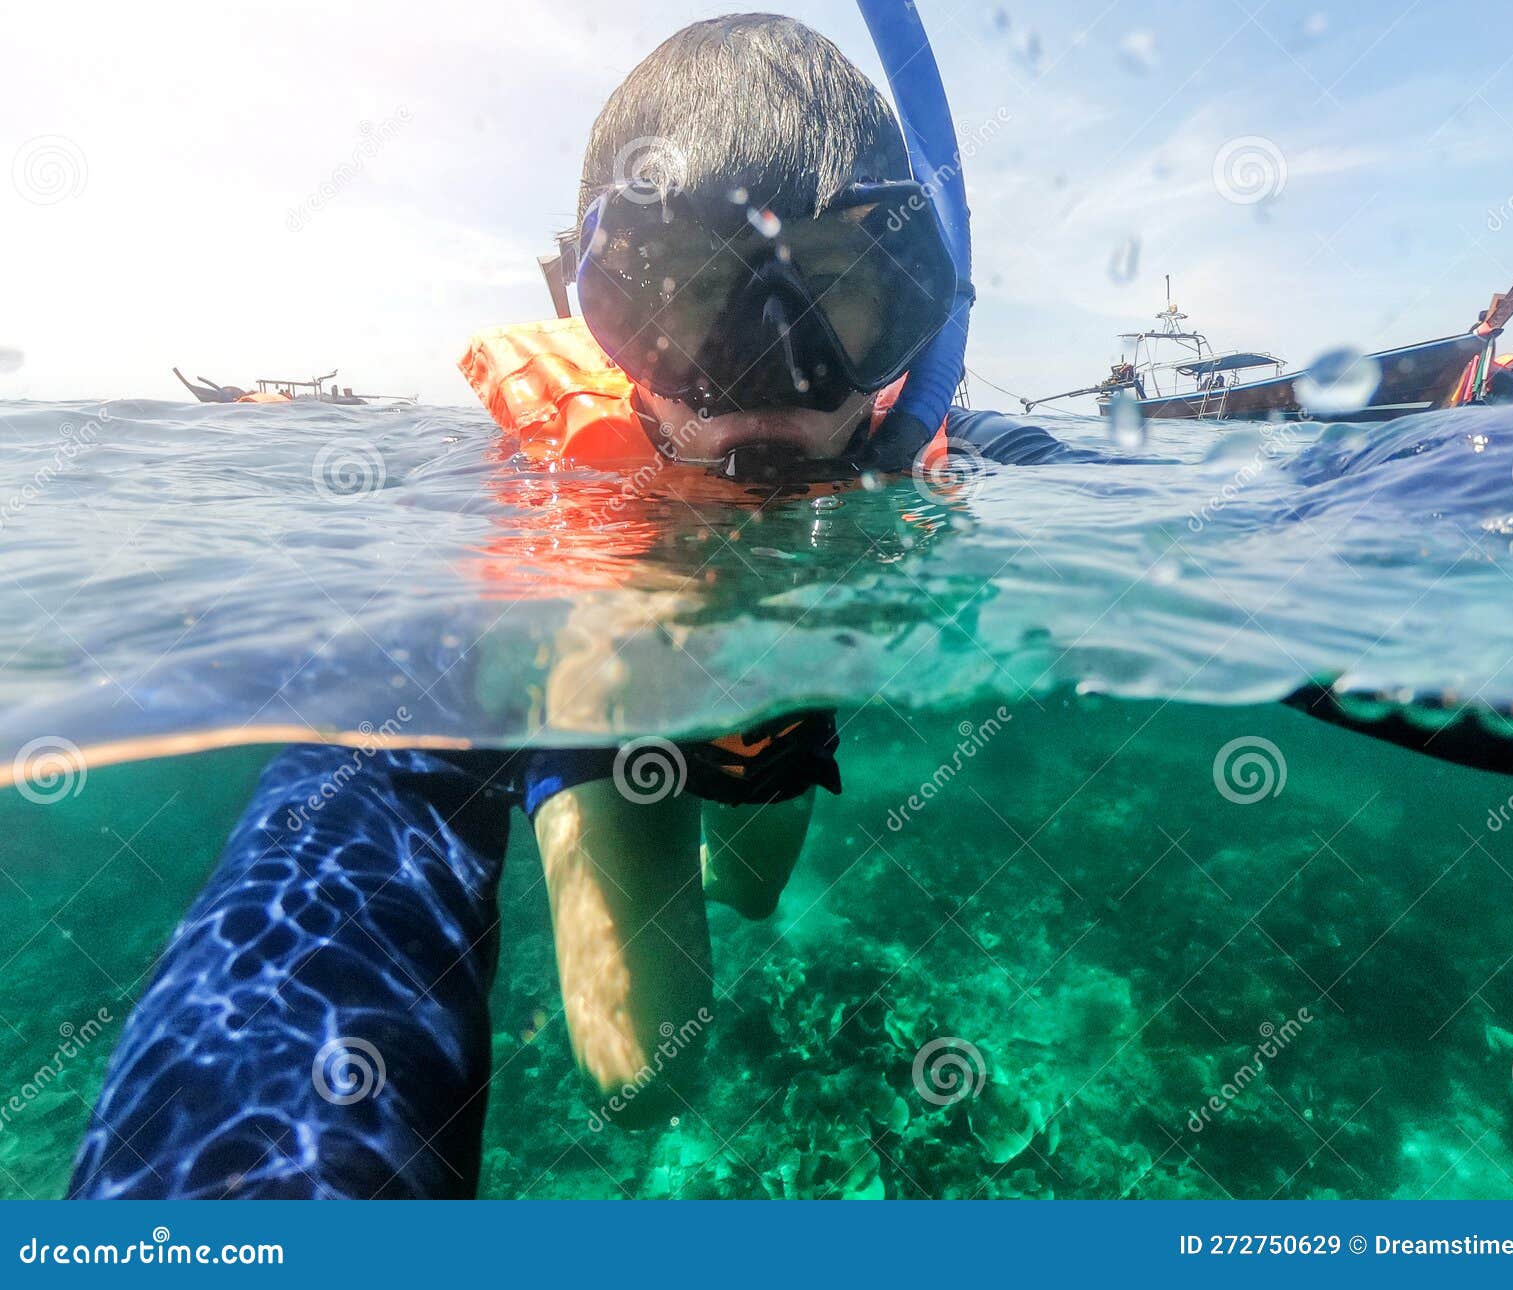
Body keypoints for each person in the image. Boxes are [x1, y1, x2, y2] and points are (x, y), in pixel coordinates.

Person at [70, 13, 1076, 1200]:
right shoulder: (526, 485)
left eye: (835, 294)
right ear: (595, 313)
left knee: (749, 888)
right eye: (689, 300)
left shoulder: (958, 452)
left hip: (790, 688)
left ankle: (718, 833)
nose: (761, 376)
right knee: (643, 1078)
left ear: (915, 313)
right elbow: (377, 760)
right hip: (608, 686)